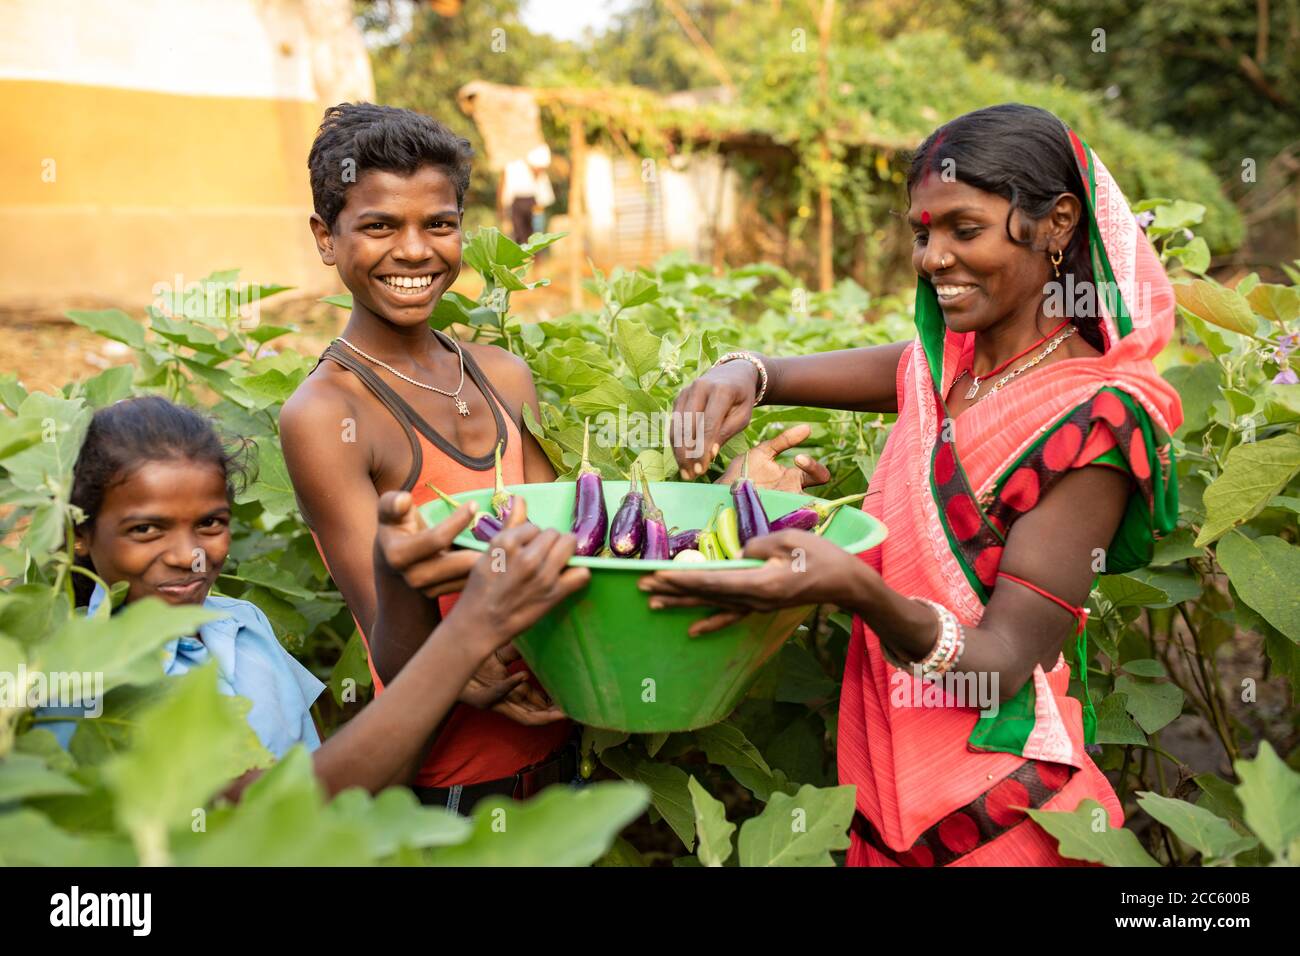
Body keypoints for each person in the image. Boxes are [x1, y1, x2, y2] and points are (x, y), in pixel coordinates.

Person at [643, 103, 1182, 866]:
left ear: (1058, 222)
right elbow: (800, 373)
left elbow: (1000, 666)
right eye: (922, 233)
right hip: (883, 792)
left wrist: (853, 587)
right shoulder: (949, 363)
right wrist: (743, 372)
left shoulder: (1091, 421)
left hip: (1000, 812)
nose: (932, 258)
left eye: (965, 230)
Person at [60, 396, 587, 801]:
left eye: (210, 523)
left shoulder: (240, 624)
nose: (187, 555)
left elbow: (359, 787)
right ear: (81, 534)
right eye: (146, 529)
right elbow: (278, 811)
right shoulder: (84, 680)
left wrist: (402, 587)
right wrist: (465, 636)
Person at [283, 103, 574, 815]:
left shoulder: (503, 374)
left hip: (561, 747)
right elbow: (395, 651)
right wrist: (470, 651)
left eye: (438, 225)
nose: (414, 251)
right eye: (379, 226)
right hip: (445, 778)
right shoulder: (327, 415)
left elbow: (566, 552)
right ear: (326, 237)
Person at [499, 144, 555, 245]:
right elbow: (508, 189)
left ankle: (535, 257)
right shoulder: (513, 166)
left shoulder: (540, 173)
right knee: (519, 234)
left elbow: (543, 195)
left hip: (533, 203)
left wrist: (539, 209)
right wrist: (504, 208)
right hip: (517, 203)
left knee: (535, 233)